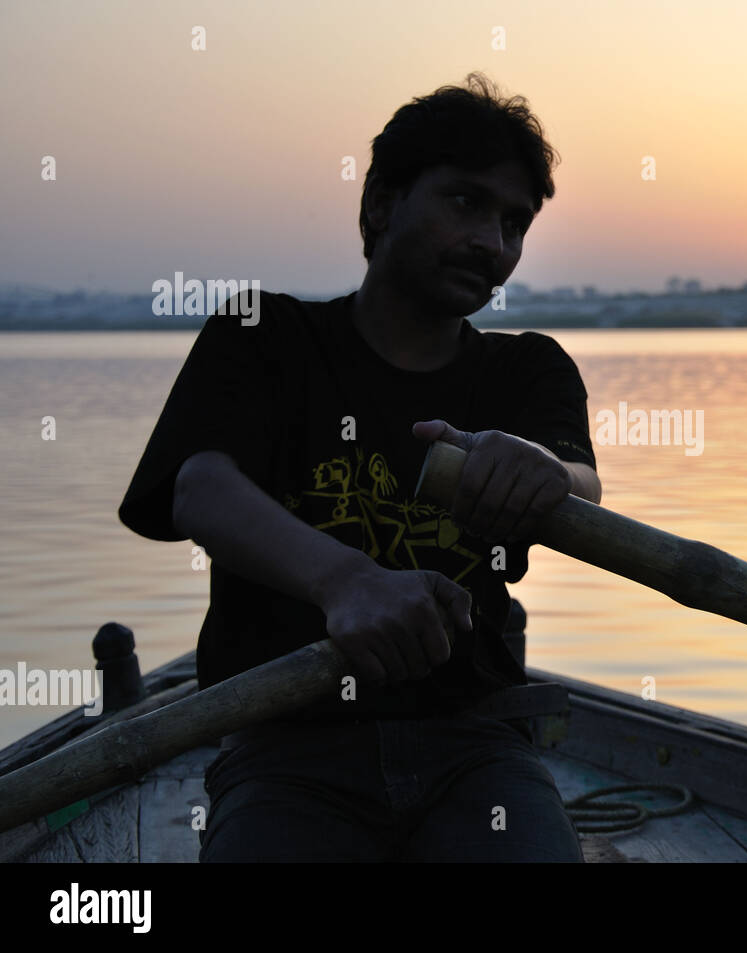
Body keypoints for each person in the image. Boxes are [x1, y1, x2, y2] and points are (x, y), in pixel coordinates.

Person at [117, 73, 600, 862]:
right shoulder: (263, 335)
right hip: (286, 748)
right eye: (465, 202)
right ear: (379, 202)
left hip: (474, 744)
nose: (493, 242)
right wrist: (346, 581)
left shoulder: (528, 372)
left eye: (515, 222)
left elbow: (581, 485)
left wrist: (544, 469)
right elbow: (198, 485)